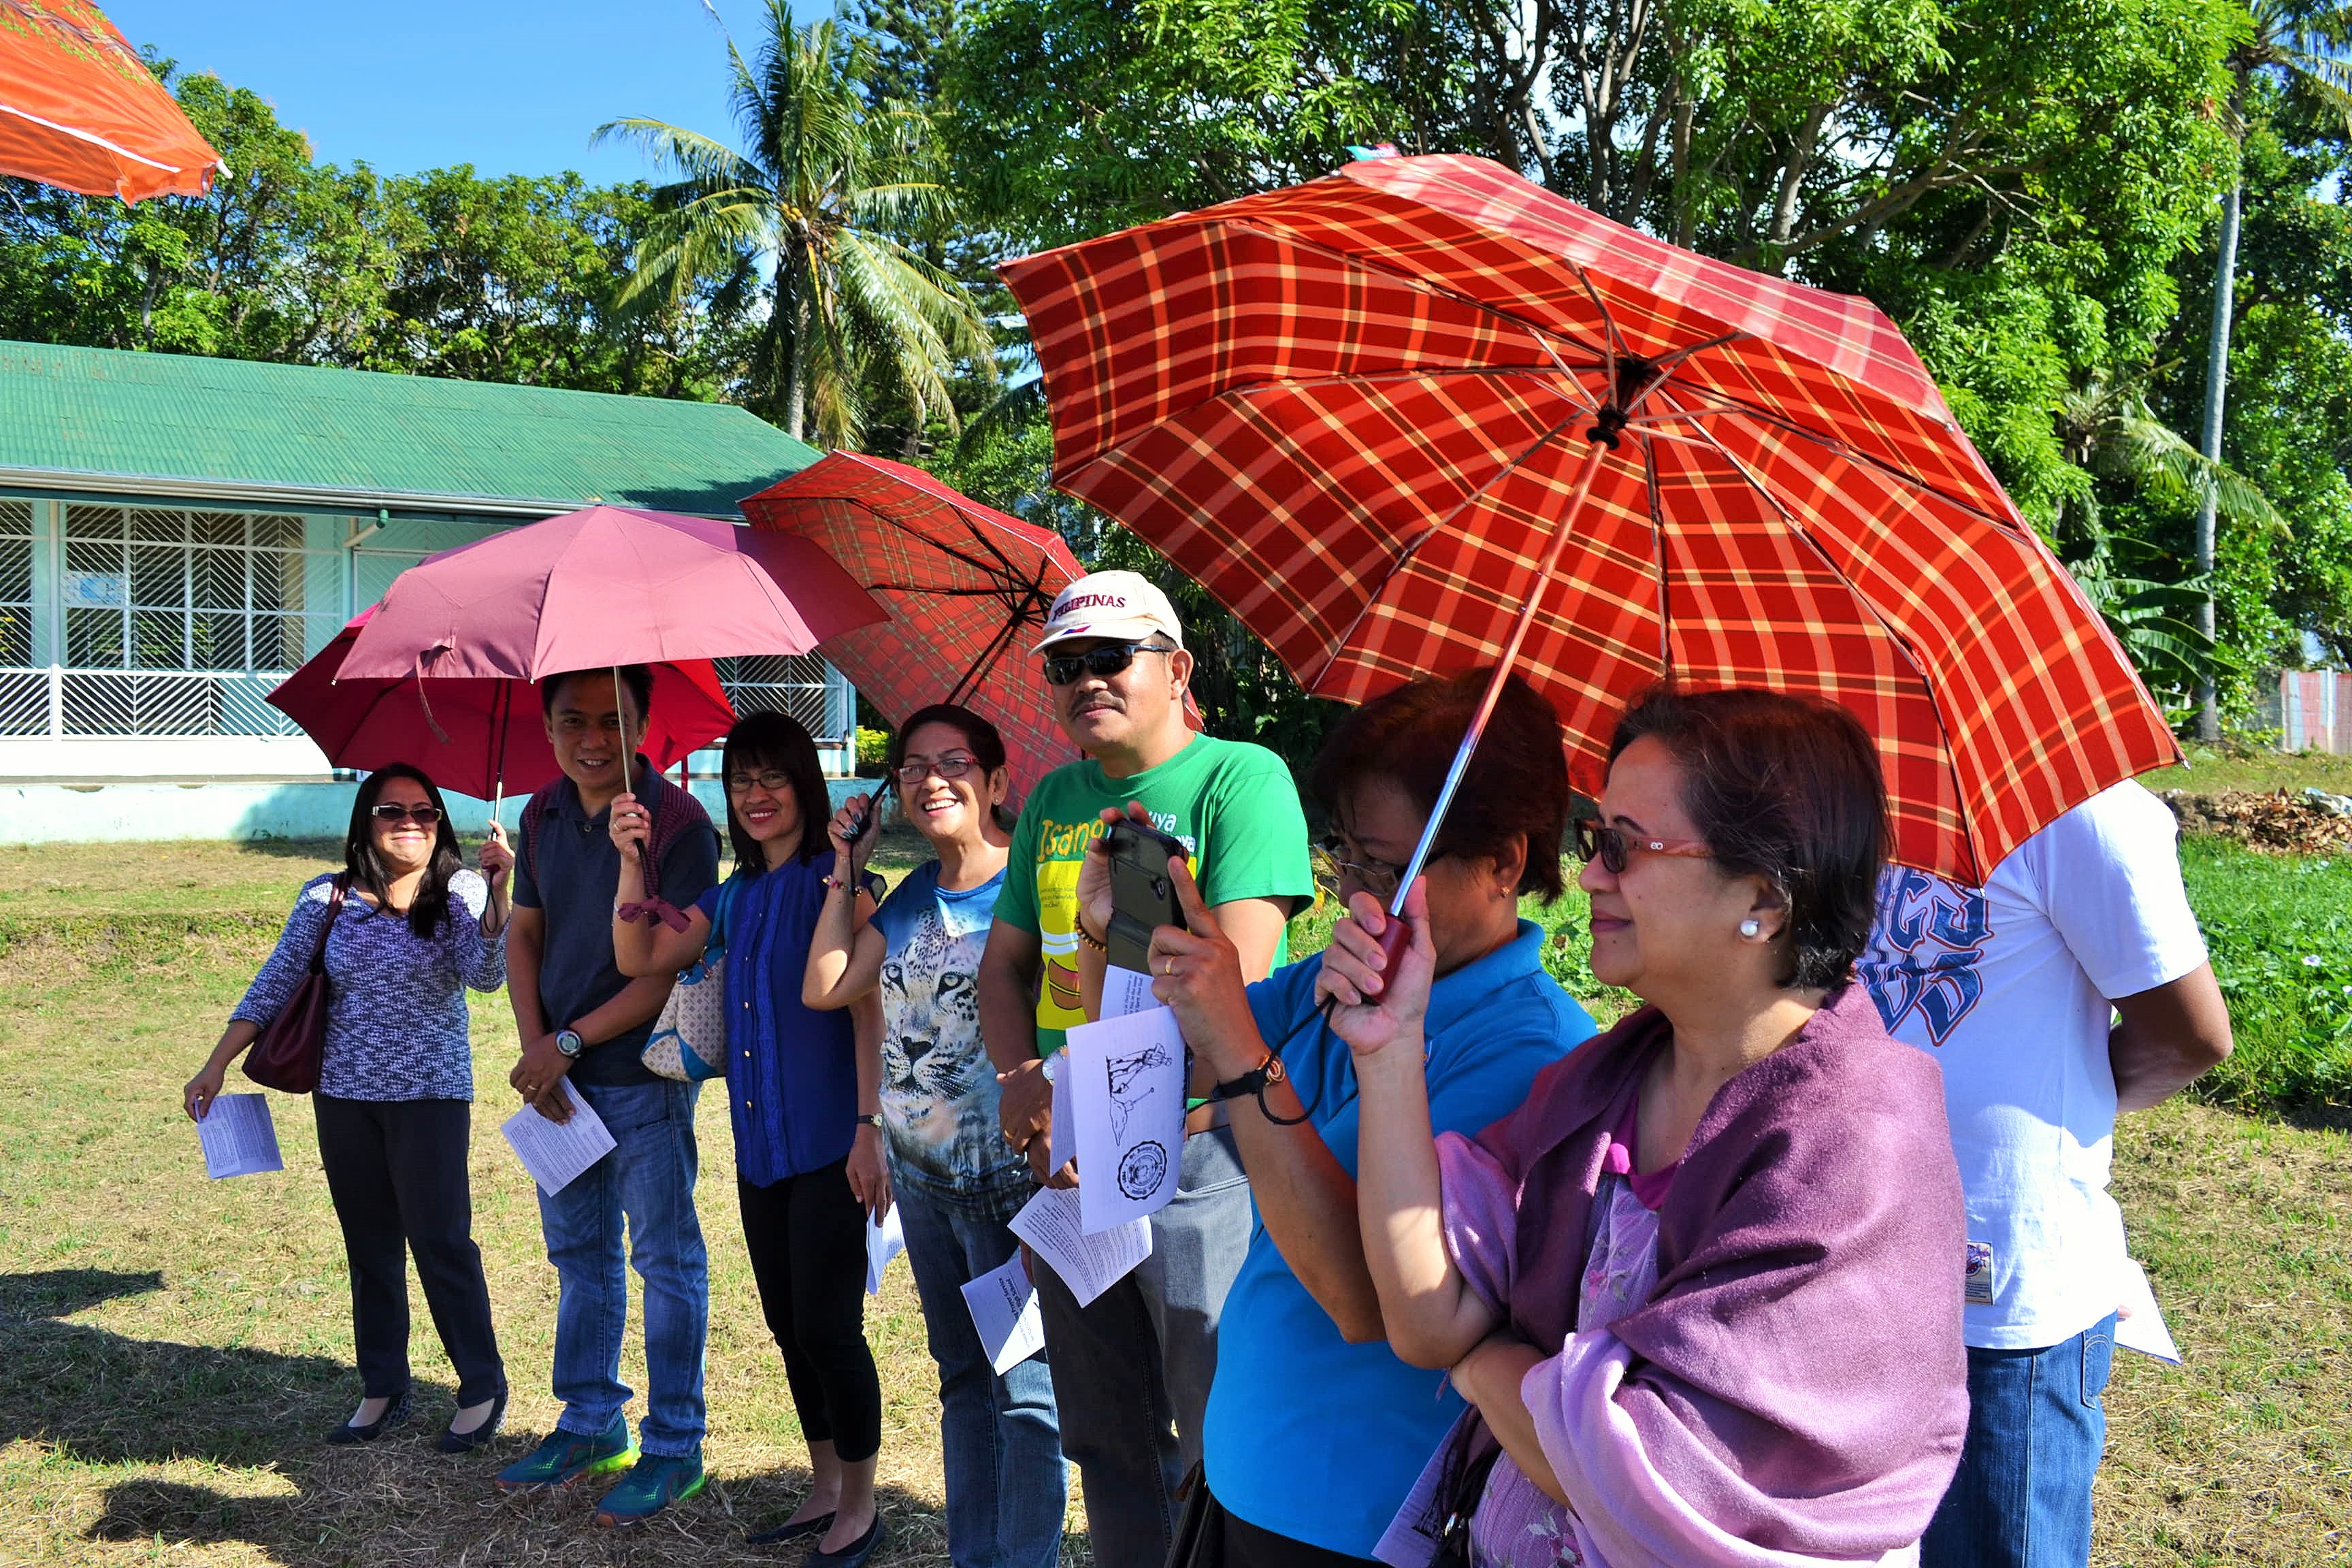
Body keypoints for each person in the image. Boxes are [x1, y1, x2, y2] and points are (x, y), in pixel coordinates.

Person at [1352, 686, 1971, 1567]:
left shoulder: (1860, 1146)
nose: (1591, 875)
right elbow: (1424, 1319)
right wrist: (1387, 1051)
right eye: (1592, 839)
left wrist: (1486, 1360)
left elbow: (1654, 1477)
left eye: (1623, 848)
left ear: (1762, 896)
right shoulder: (1600, 1086)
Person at [1079, 670, 1598, 1565]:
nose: (1360, 893)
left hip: (1354, 1514)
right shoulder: (1347, 981)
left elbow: (1363, 1302)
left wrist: (1243, 1049)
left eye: (1389, 868)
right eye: (1346, 857)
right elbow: (1134, 1091)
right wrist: (1117, 938)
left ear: (1507, 862)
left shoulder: (1532, 1058)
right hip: (1245, 1464)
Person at [976, 570, 1313, 1568]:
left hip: (1204, 1154)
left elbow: (1237, 985)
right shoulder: (1053, 795)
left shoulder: (1239, 780)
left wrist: (1088, 1103)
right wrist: (1017, 1085)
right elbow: (1006, 966)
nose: (1087, 679)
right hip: (1075, 1161)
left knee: (1214, 1433)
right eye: (1066, 666)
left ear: (1176, 667)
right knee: (1105, 1432)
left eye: (1110, 657)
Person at [1859, 783, 2233, 1567]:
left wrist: (2074, 1107)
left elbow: (2188, 1034)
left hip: (2004, 1292)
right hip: (1856, 1250)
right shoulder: (1850, 789)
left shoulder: (2086, 813)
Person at [613, 709, 890, 1568]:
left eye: (773, 776)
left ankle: (862, 1504)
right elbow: (639, 957)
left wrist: (868, 1126)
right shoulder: (732, 897)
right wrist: (631, 858)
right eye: (742, 781)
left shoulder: (838, 883)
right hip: (759, 1148)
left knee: (829, 1324)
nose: (756, 794)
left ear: (805, 786)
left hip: (830, 1144)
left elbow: (868, 1012)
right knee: (785, 1323)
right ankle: (822, 1486)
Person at [806, 704, 1068, 1568]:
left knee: (1026, 1392)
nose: (930, 780)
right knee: (962, 1380)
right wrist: (847, 868)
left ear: (997, 783)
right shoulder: (914, 895)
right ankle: (976, 1556)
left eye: (954, 763)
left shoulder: (1029, 892)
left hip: (1011, 1181)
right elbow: (829, 987)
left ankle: (1022, 1558)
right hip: (923, 1183)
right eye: (913, 766)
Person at [184, 763, 512, 1452]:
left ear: (439, 824)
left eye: (424, 812)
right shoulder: (326, 898)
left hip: (429, 1096)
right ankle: (384, 1386)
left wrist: (499, 896)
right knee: (369, 1247)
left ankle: (481, 1387)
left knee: (441, 1241)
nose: (410, 823)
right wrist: (216, 1062)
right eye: (392, 811)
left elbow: (485, 979)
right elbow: (274, 981)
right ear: (366, 820)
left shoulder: (460, 889)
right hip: (343, 1096)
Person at [493, 666, 720, 1528]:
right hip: (560, 1084)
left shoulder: (677, 824)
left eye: (613, 722)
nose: (593, 740)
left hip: (642, 1079)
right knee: (576, 1254)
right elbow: (526, 933)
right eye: (573, 721)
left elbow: (671, 971)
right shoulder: (542, 813)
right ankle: (592, 1420)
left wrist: (572, 1040)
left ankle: (674, 1443)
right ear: (548, 728)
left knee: (665, 1259)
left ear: (645, 726)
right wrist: (535, 1047)